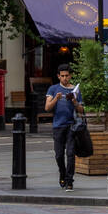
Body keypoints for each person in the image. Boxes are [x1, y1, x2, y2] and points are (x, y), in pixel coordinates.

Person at [44, 62, 84, 192]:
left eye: (67, 76)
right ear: (58, 76)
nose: (65, 78)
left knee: (71, 154)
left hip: (72, 126)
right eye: (62, 76)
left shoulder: (75, 90)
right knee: (59, 155)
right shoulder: (53, 89)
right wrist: (56, 98)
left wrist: (75, 102)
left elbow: (81, 110)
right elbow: (47, 108)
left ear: (70, 76)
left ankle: (69, 181)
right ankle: (62, 172)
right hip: (58, 126)